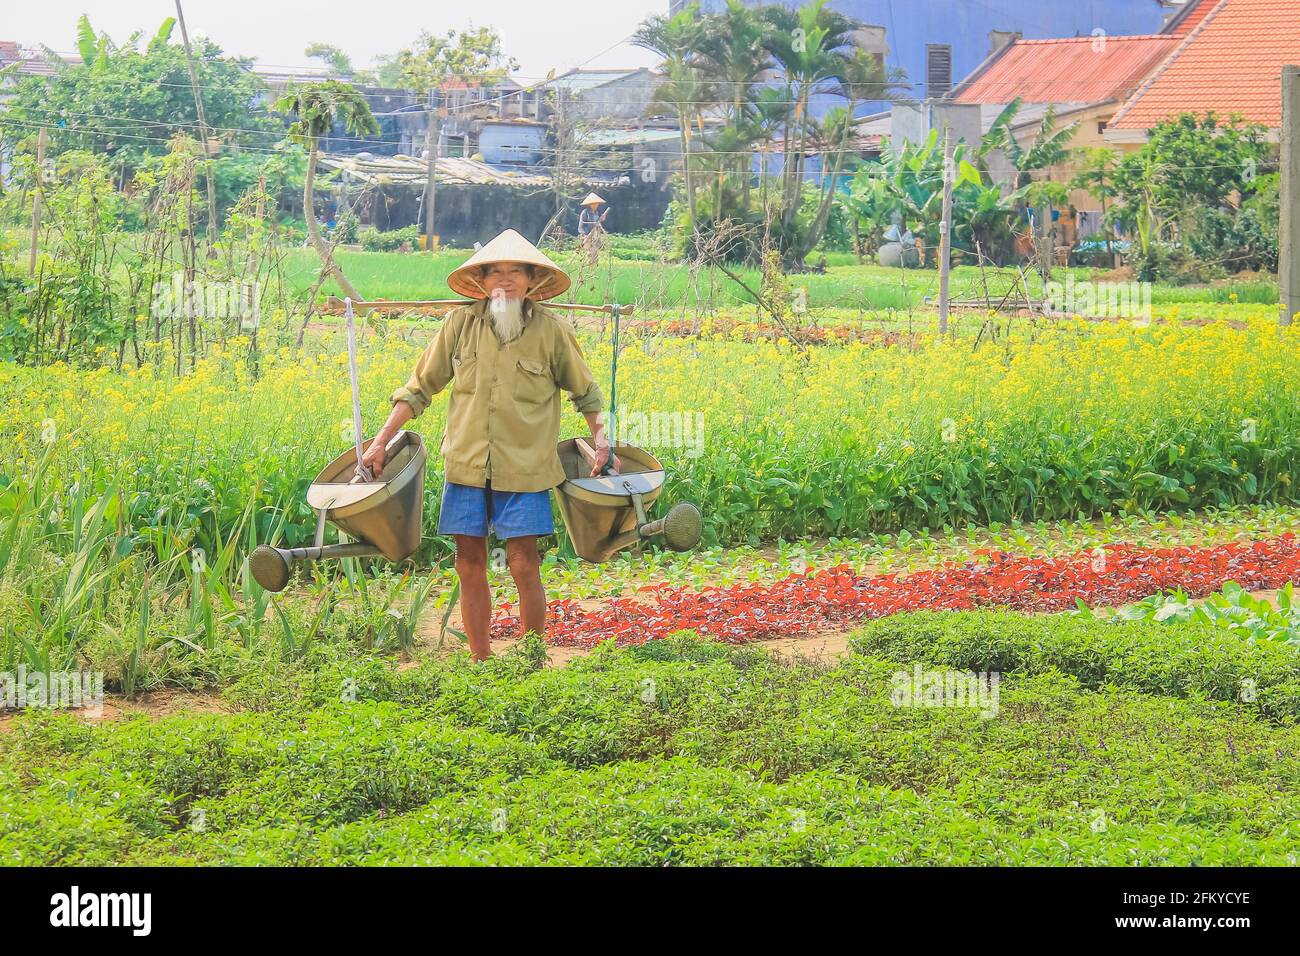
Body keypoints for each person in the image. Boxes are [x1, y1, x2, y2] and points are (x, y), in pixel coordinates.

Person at [361, 229, 618, 662]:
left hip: (527, 466)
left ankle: (532, 657)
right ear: (480, 281)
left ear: (532, 280)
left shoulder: (552, 332)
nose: (504, 279)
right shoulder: (459, 325)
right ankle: (481, 660)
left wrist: (601, 437)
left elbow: (587, 393)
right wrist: (379, 442)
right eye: (494, 271)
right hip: (466, 462)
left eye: (514, 271)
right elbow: (419, 389)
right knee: (468, 562)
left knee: (523, 561)